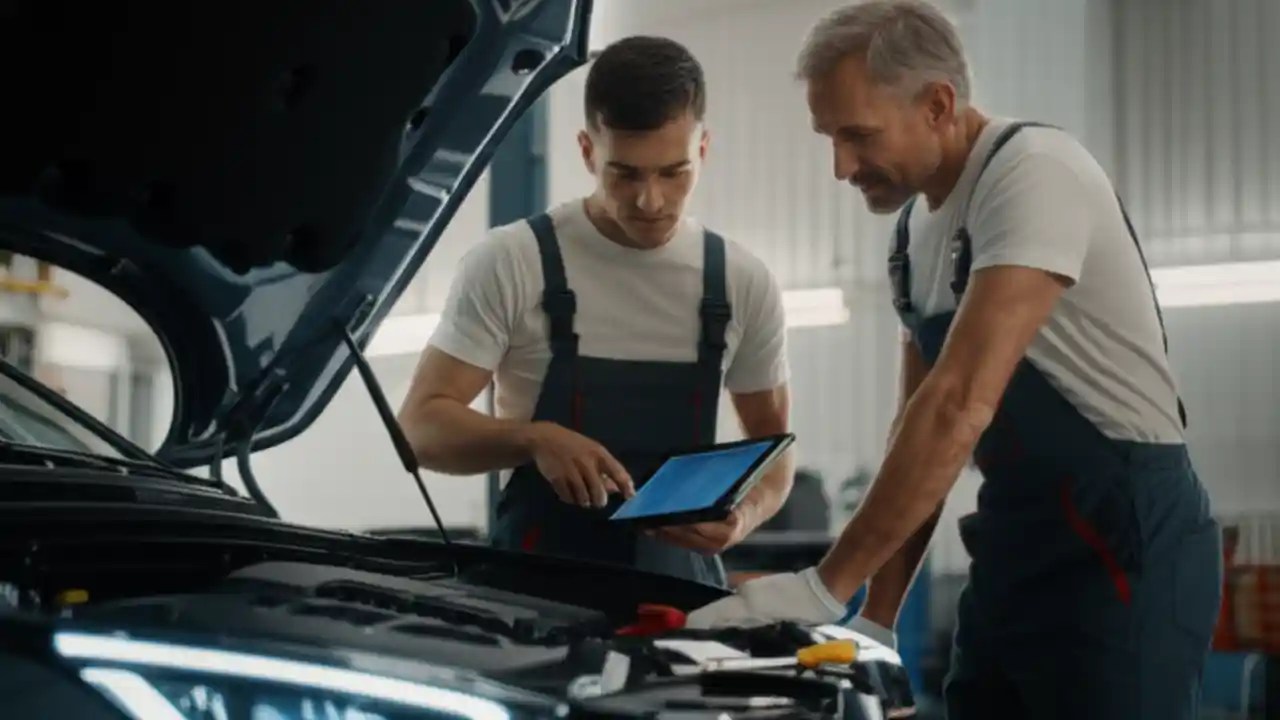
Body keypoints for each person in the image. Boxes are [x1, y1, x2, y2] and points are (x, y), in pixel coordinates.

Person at [686, 2, 1222, 718]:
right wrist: (876, 619)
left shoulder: (1033, 174)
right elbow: (915, 429)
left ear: (937, 105)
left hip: (1124, 542)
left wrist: (825, 585)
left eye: (858, 135)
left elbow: (960, 403)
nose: (841, 167)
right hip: (1014, 542)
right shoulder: (913, 233)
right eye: (830, 138)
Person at [396, 36, 795, 588]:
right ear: (587, 151)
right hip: (534, 595)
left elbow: (774, 454)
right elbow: (419, 429)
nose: (650, 200)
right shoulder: (514, 262)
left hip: (679, 596)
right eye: (624, 174)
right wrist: (533, 438)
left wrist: (745, 516)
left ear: (703, 150)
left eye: (673, 172)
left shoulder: (740, 282)